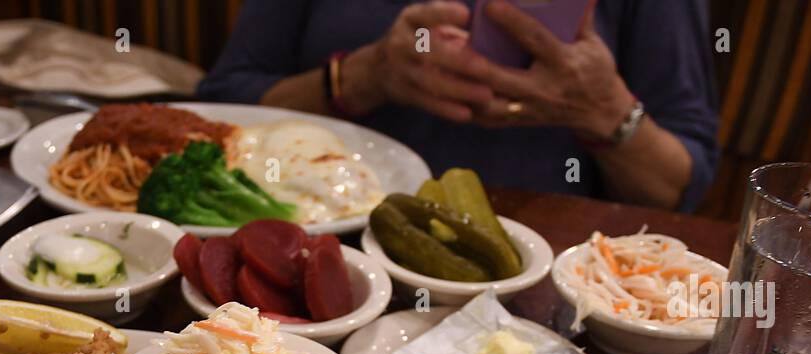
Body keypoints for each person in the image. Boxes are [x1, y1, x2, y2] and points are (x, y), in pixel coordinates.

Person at [198, 0, 719, 211]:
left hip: (541, 286)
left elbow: (678, 187)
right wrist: (360, 77)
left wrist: (604, 110)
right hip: (318, 246)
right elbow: (219, 107)